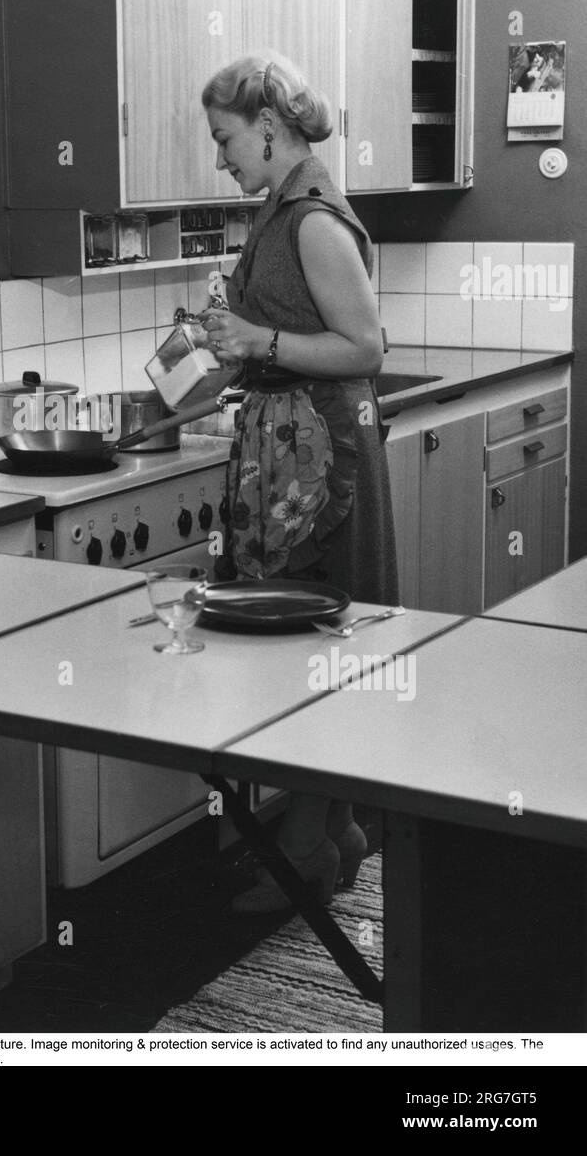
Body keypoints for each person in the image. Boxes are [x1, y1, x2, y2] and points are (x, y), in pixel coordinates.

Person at [199, 50, 399, 913]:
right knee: (311, 649)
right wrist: (228, 343)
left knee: (314, 646)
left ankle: (307, 843)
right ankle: (333, 830)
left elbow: (363, 349)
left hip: (320, 460)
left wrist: (253, 343)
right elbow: (276, 329)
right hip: (290, 448)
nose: (220, 158)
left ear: (268, 130)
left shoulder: (313, 218)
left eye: (224, 139)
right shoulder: (279, 209)